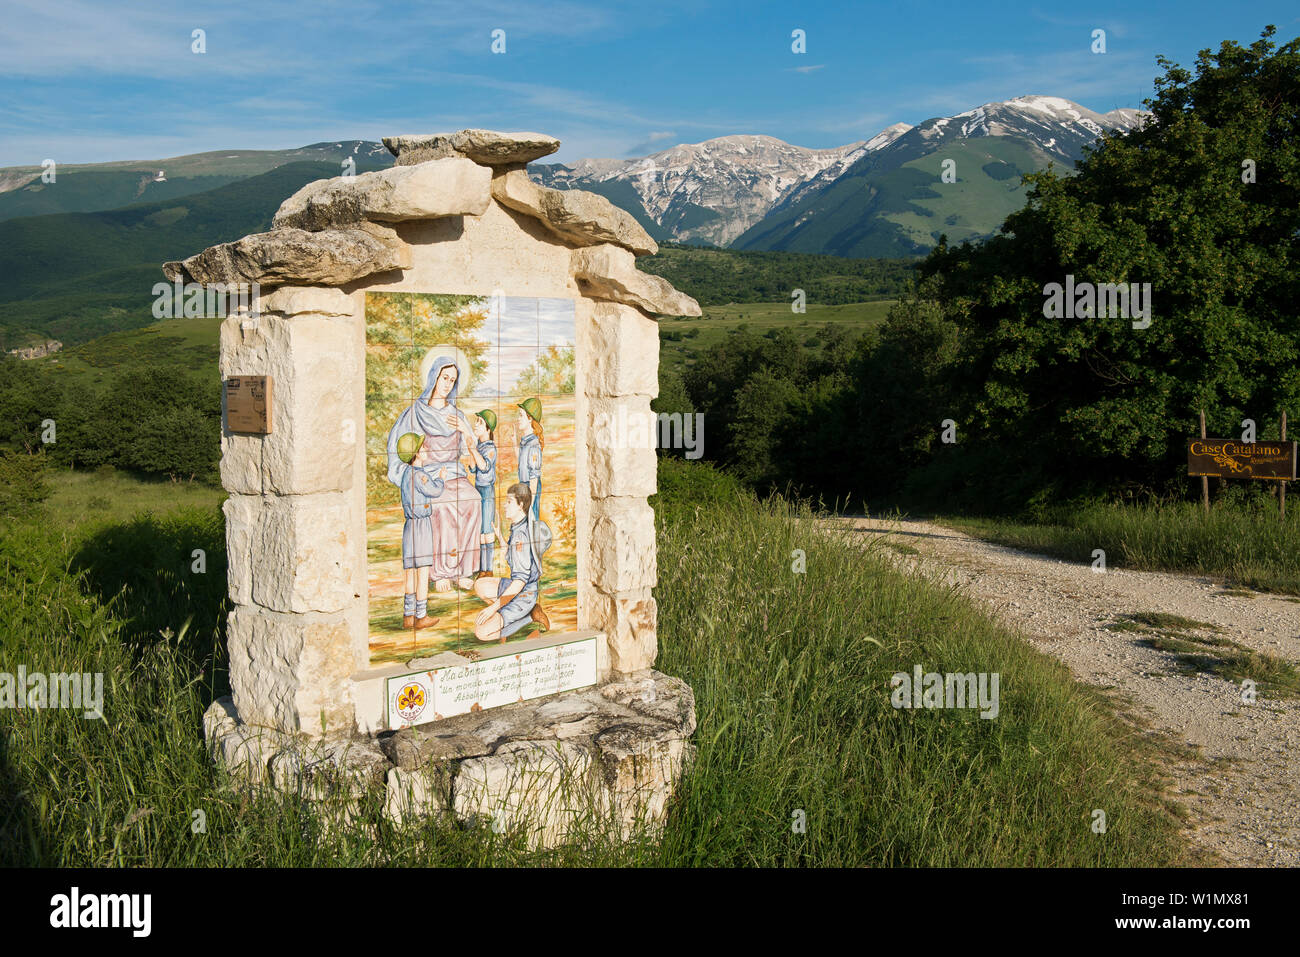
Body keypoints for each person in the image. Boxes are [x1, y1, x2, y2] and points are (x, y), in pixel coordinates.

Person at [385, 356, 485, 593]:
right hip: (427, 476)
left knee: (473, 500)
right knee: (441, 505)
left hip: (454, 474)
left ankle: (461, 570)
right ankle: (439, 572)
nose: (448, 384)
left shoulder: (456, 415)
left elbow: (469, 449)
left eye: (452, 380)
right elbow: (399, 447)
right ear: (434, 378)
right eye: (444, 378)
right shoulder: (416, 413)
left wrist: (463, 429)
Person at [472, 483, 549, 641]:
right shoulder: (519, 527)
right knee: (479, 585)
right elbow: (513, 556)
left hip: (524, 594)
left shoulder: (521, 537)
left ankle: (529, 617)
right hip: (519, 588)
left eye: (509, 502)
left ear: (520, 505)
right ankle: (506, 614)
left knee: (481, 633)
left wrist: (493, 608)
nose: (505, 505)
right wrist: (500, 536)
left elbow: (519, 582)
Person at [394, 433, 444, 630]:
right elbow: (434, 491)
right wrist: (441, 479)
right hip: (421, 525)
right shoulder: (420, 475)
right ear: (416, 453)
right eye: (423, 448)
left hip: (409, 527)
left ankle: (408, 615)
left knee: (410, 572)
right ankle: (421, 615)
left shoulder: (406, 474)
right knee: (423, 571)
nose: (426, 450)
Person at [470, 409, 498, 576]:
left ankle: (488, 569)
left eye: (479, 422)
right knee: (480, 531)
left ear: (488, 429)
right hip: (478, 490)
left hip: (487, 492)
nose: (476, 425)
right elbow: (473, 468)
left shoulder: (490, 448)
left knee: (487, 531)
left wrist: (473, 450)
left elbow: (484, 466)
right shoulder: (479, 446)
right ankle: (482, 568)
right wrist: (472, 450)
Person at [516, 397, 543, 522]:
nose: (518, 419)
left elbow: (534, 478)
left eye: (521, 415)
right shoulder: (525, 442)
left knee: (530, 523)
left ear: (530, 418)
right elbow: (521, 462)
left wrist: (530, 504)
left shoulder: (533, 445)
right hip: (523, 487)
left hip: (530, 488)